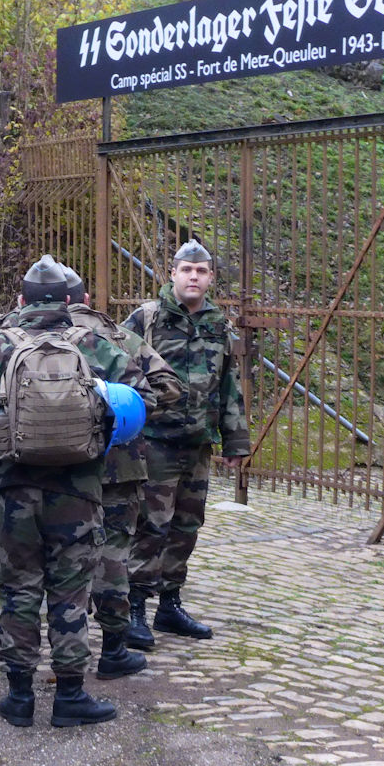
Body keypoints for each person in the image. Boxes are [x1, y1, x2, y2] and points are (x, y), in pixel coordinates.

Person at [0, 256, 140, 730]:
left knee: (18, 589)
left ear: (20, 301)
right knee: (71, 591)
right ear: (68, 302)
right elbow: (142, 398)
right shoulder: (94, 344)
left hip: (13, 490)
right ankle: (70, 695)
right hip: (78, 491)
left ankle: (19, 696)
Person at [123, 241, 249, 645]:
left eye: (201, 271)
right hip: (153, 443)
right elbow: (116, 369)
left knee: (186, 526)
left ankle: (169, 604)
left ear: (210, 277)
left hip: (197, 444)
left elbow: (228, 383)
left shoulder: (217, 324)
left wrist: (235, 440)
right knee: (150, 525)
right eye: (187, 270)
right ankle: (134, 606)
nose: (194, 277)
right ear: (173, 274)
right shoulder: (147, 319)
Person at [63, 266, 183, 679]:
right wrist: (124, 410)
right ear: (85, 300)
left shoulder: (23, 338)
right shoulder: (119, 339)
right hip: (118, 465)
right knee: (113, 554)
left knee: (59, 554)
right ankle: (114, 646)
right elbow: (168, 387)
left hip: (55, 466)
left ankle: (61, 647)